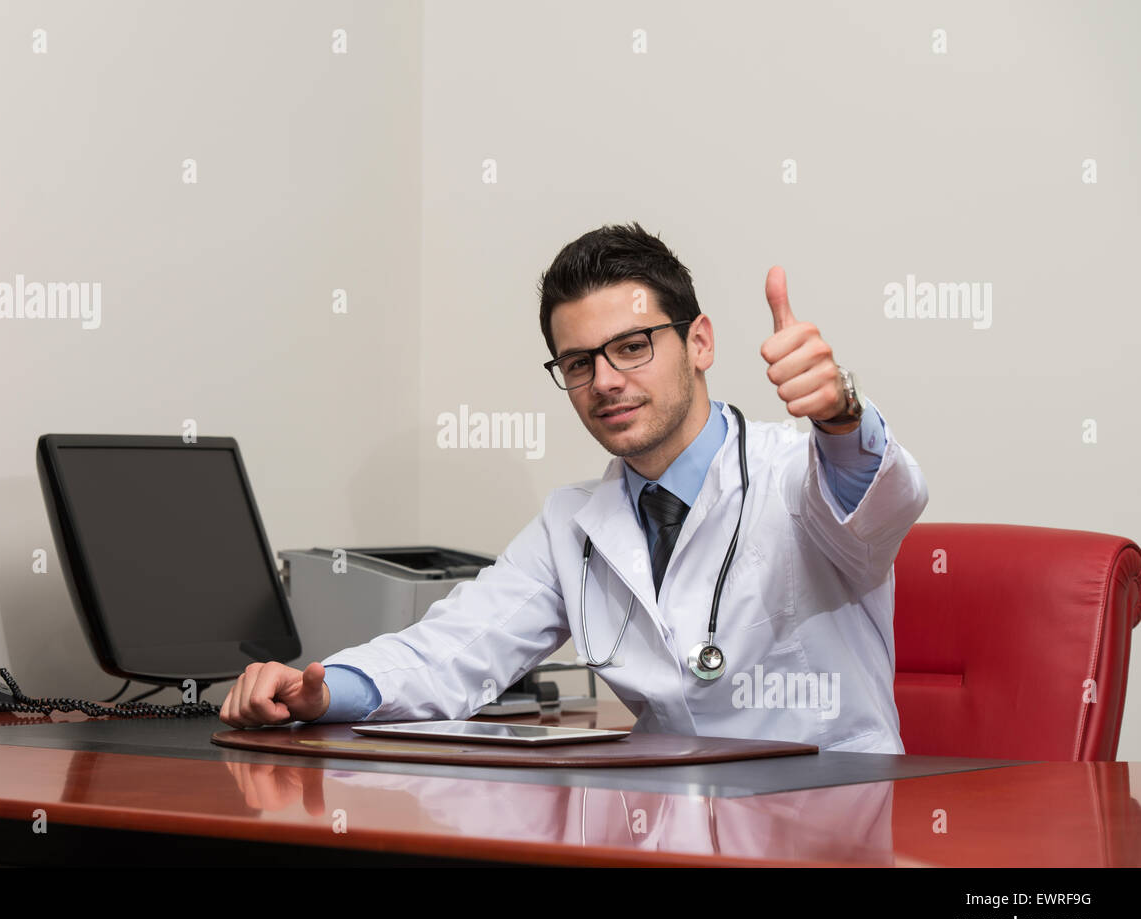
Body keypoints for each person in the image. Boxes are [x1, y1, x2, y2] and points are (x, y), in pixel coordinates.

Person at [220, 223, 928, 753]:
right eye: (579, 362)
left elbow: (874, 497)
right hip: (675, 829)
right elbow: (453, 650)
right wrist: (316, 689)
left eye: (632, 345)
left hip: (833, 827)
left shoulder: (796, 472)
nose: (607, 380)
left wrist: (839, 412)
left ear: (701, 342)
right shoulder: (575, 524)